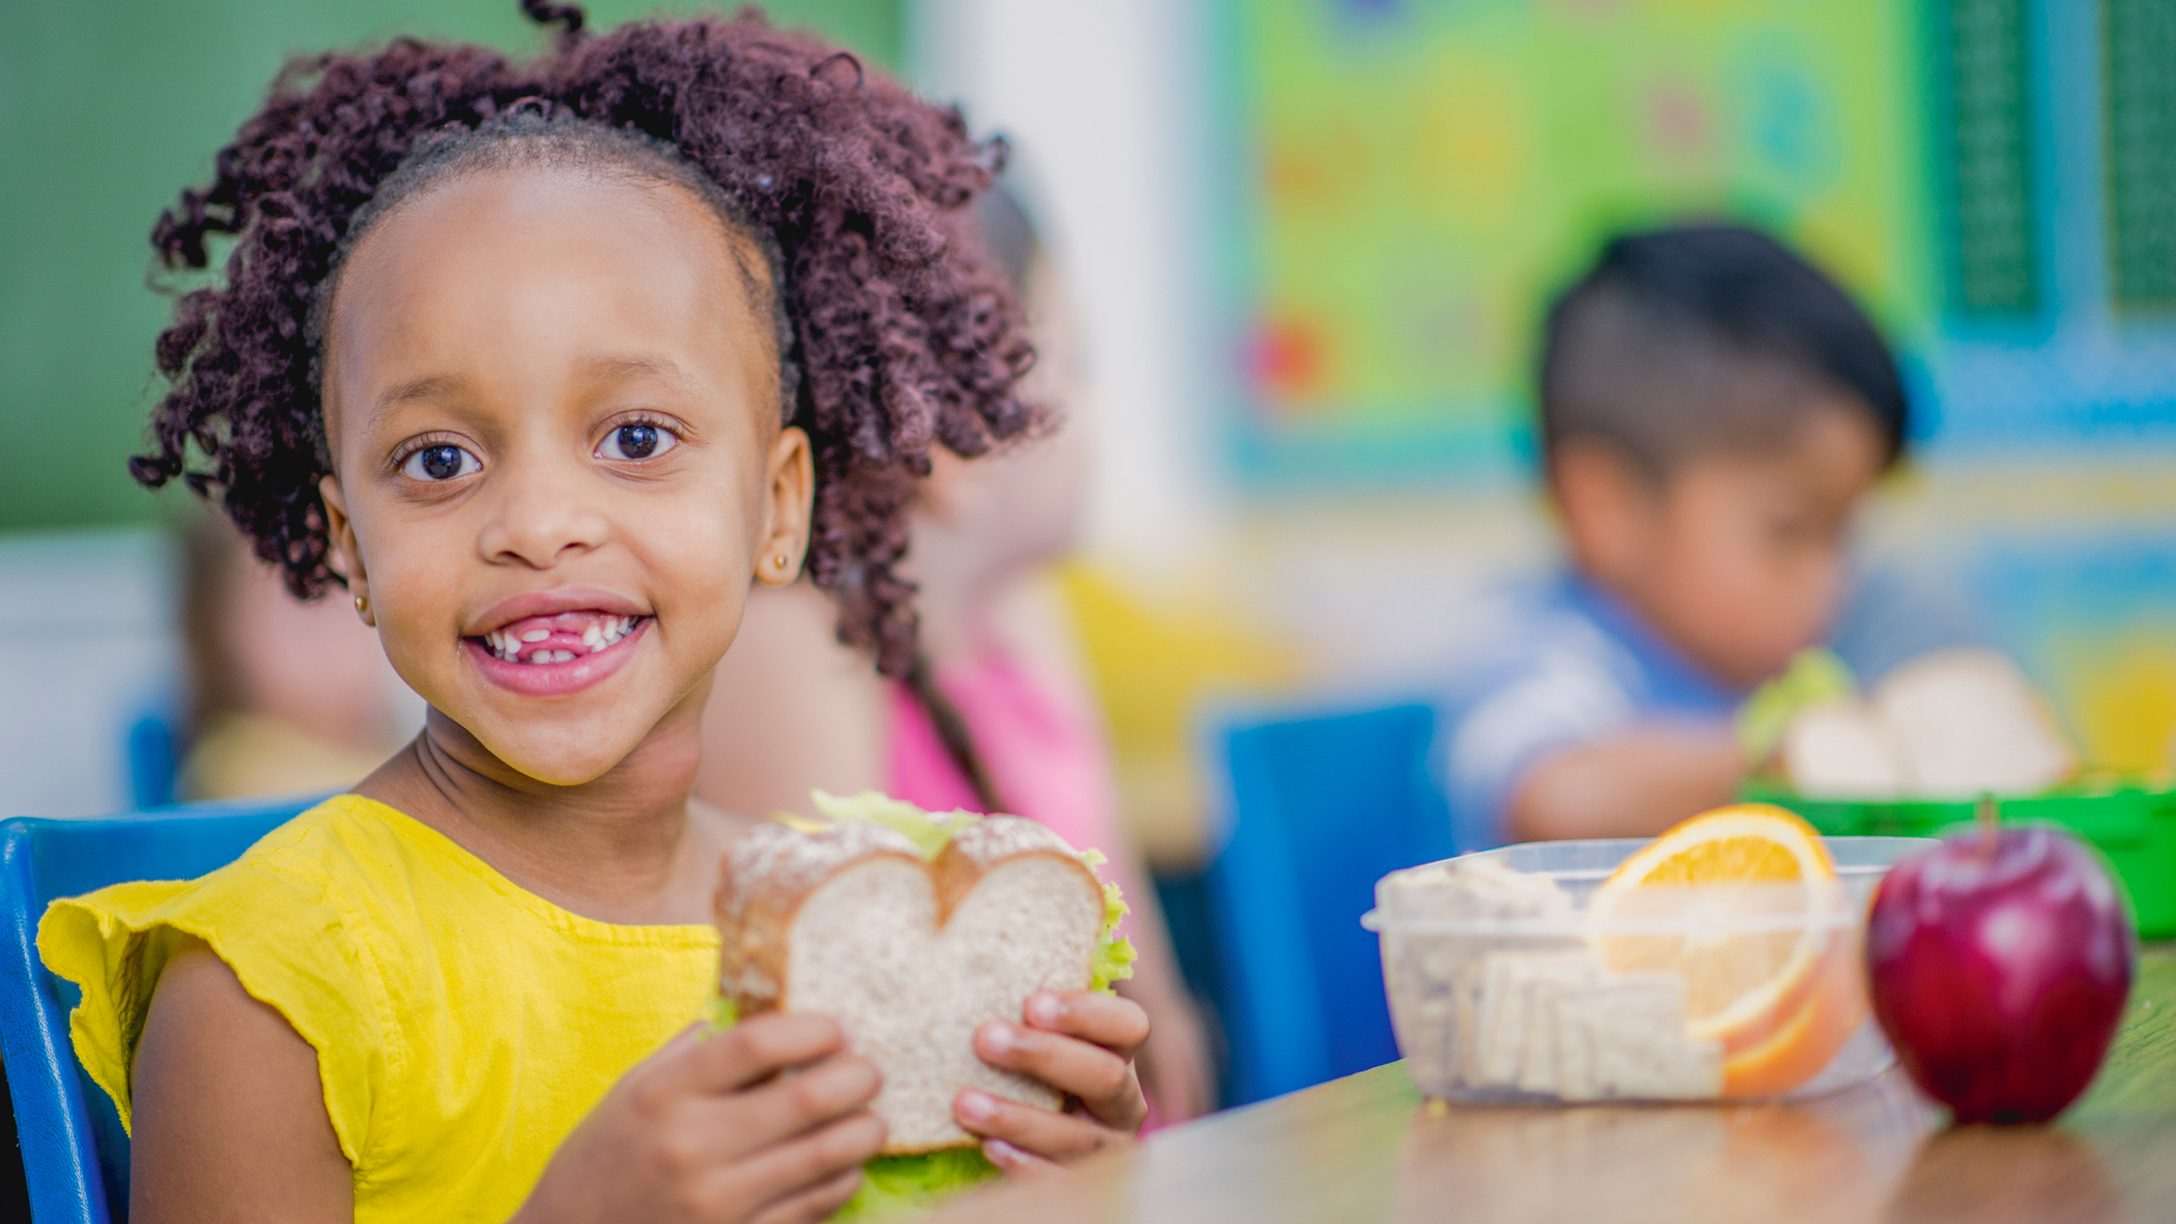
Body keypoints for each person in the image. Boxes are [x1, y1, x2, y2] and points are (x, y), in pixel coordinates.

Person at [37, 7, 1149, 1222]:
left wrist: (1058, 1186)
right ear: (347, 545)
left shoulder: (850, 924)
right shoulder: (267, 992)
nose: (537, 521)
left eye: (634, 437)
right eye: (438, 459)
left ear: (778, 508)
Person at [697, 185, 1216, 1123]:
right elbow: (833, 1038)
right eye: (1077, 363)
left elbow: (1153, 1009)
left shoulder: (1020, 613)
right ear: (955, 439)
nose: (1096, 409)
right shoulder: (794, 645)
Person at [1438, 223, 1915, 849]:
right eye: (1787, 533)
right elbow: (1554, 799)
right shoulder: (1541, 651)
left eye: (1842, 535)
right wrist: (1800, 752)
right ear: (1605, 509)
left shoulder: (1743, 675)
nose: (1828, 583)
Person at [177, 513, 417, 800]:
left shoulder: (397, 749)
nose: (347, 624)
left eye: (356, 592)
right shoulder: (240, 771)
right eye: (305, 598)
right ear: (219, 631)